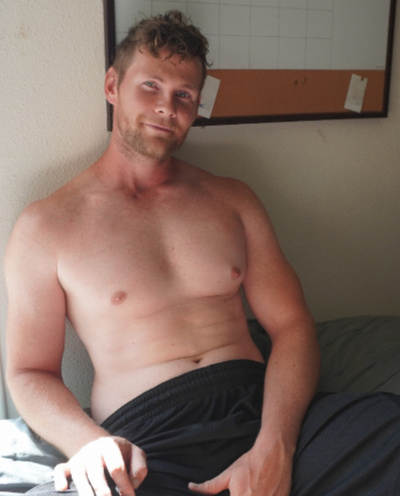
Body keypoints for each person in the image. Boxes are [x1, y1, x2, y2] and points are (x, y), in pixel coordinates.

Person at [4, 11, 400, 496]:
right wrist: (87, 443)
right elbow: (29, 371)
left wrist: (276, 446)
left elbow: (292, 325)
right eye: (150, 86)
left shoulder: (232, 200)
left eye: (184, 95)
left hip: (258, 411)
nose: (166, 107)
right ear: (112, 86)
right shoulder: (46, 227)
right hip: (148, 442)